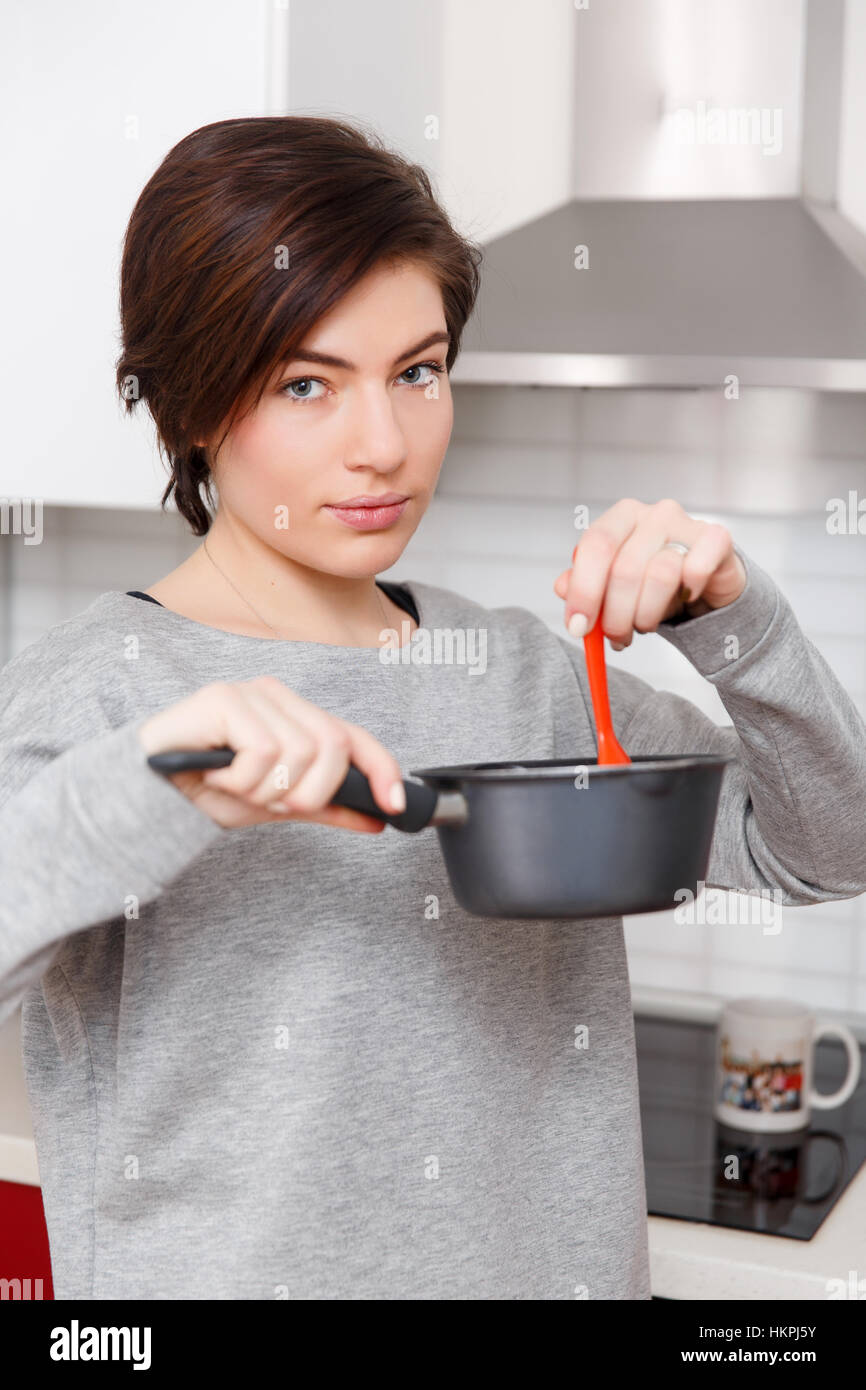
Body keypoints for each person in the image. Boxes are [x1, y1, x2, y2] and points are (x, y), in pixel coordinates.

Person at [1, 115, 865, 1301]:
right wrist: (157, 781)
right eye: (307, 382)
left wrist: (738, 622)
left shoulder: (527, 676)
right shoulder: (97, 693)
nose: (385, 444)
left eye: (417, 371)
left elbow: (826, 850)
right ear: (195, 405)